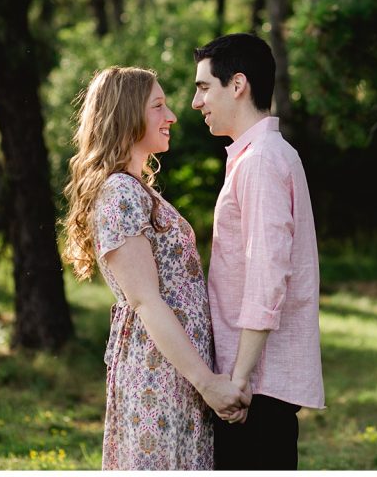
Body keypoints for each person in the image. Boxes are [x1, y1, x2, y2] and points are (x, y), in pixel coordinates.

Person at [63, 66, 250, 470]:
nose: (172, 117)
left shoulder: (136, 190)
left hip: (175, 372)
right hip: (160, 376)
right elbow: (146, 301)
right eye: (158, 106)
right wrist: (207, 383)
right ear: (127, 114)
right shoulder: (119, 193)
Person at [191, 34, 326, 470]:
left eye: (203, 87)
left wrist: (239, 379)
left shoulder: (262, 161)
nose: (196, 102)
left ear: (238, 85)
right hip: (257, 385)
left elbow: (267, 277)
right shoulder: (262, 155)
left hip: (257, 390)